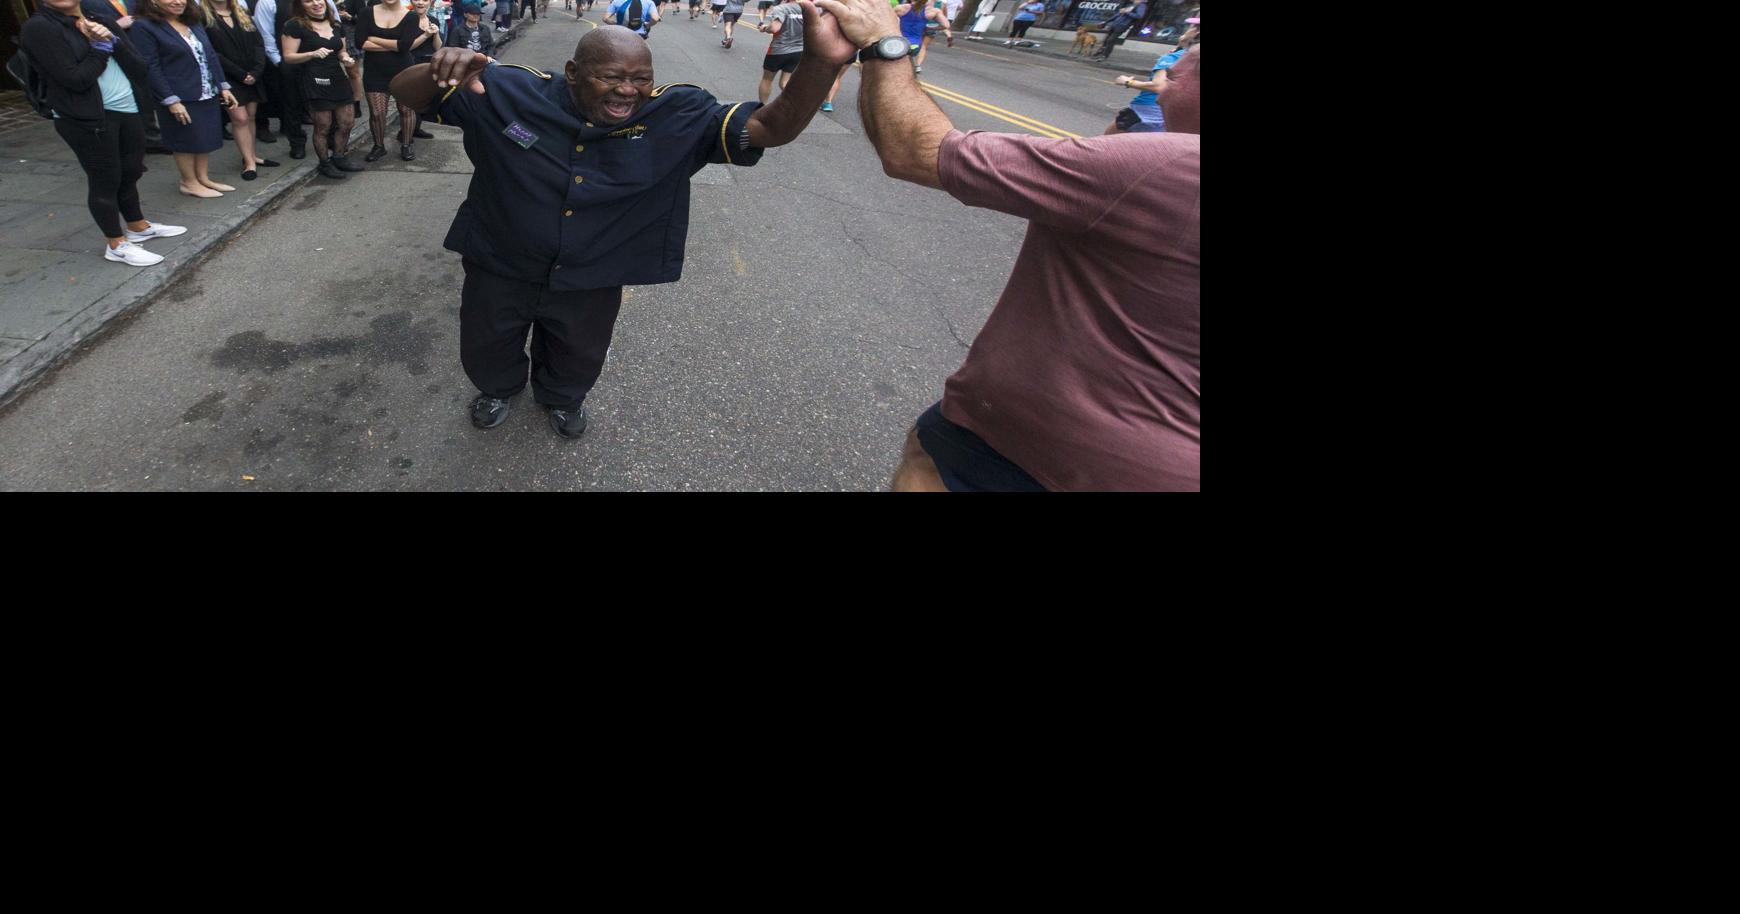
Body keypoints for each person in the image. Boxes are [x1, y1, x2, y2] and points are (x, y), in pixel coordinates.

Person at [389, 18, 853, 438]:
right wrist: (436, 68)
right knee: (487, 341)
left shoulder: (680, 114)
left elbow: (772, 127)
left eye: (640, 78)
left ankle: (562, 397)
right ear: (573, 72)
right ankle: (498, 387)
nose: (627, 91)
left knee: (578, 351)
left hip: (594, 275)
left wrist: (823, 61)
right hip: (500, 260)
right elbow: (406, 95)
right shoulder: (506, 91)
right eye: (610, 77)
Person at [818, 0, 1199, 491]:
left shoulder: (1162, 167)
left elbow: (915, 150)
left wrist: (883, 43)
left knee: (929, 459)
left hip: (1057, 441)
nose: (1168, 72)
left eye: (1185, 63)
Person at [21, 0, 187, 267]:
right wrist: (98, 48)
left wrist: (111, 40)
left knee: (131, 171)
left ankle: (137, 226)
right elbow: (75, 79)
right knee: (105, 179)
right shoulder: (39, 28)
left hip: (126, 107)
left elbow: (139, 68)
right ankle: (116, 243)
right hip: (85, 117)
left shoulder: (101, 19)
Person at [132, 0, 241, 198]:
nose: (178, 1)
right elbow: (150, 66)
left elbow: (210, 55)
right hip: (177, 95)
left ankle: (203, 178)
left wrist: (223, 86)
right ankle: (188, 182)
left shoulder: (192, 21)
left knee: (204, 137)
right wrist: (170, 100)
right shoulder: (143, 27)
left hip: (206, 89)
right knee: (185, 139)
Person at [78, 0, 174, 152]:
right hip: (112, 51)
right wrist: (117, 25)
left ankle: (151, 135)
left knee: (144, 91)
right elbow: (83, 24)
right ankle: (144, 139)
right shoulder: (85, 2)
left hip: (138, 46)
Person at [281, 0, 362, 176]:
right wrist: (311, 53)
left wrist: (346, 58)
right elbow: (288, 57)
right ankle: (324, 163)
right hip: (312, 77)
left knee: (347, 121)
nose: (316, 3)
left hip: (337, 76)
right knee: (323, 125)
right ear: (301, 5)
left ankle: (339, 157)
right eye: (309, 1)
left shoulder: (336, 23)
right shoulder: (294, 25)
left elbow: (341, 50)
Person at [203, 0, 279, 179]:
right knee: (240, 118)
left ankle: (251, 156)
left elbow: (258, 44)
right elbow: (212, 52)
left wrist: (256, 71)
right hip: (229, 78)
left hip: (253, 75)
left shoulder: (242, 13)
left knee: (251, 117)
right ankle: (249, 163)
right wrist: (240, 74)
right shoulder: (202, 18)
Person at [357, 0, 423, 161]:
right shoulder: (367, 12)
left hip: (403, 71)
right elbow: (360, 42)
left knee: (406, 110)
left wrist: (374, 39)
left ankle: (406, 144)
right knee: (377, 113)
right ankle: (378, 146)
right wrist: (395, 46)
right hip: (375, 71)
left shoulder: (411, 16)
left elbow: (405, 45)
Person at [755, 0, 801, 103]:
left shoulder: (781, 8)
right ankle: (795, 103)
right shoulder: (806, 9)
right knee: (784, 82)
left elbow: (774, 28)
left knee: (767, 79)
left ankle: (763, 106)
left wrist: (764, 28)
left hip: (778, 50)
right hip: (798, 51)